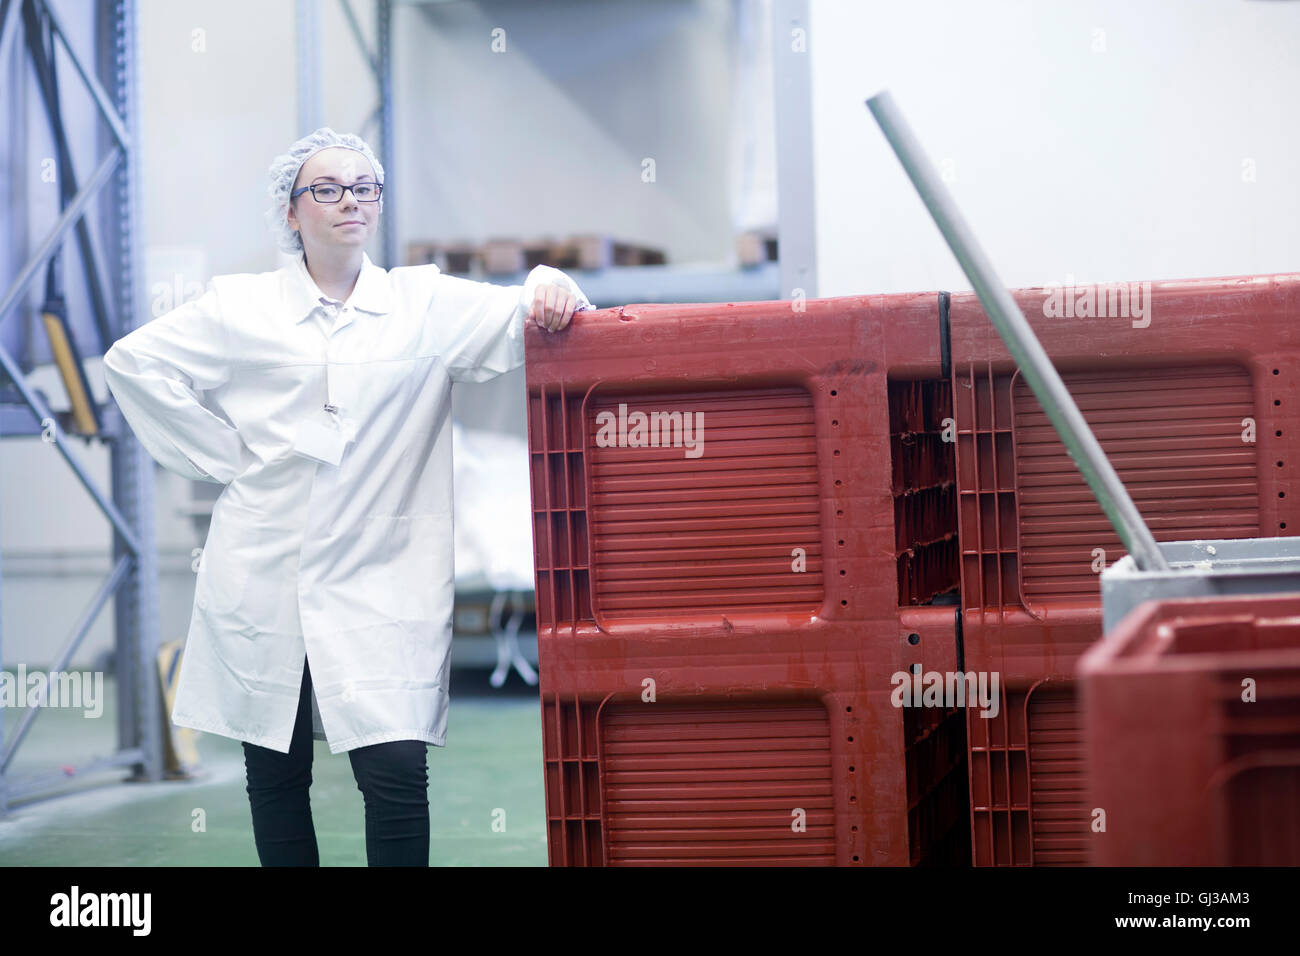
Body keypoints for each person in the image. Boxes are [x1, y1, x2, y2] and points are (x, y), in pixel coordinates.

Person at [102, 127, 594, 866]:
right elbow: (134, 363)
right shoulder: (242, 307)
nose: (350, 202)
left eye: (364, 187)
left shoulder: (421, 305)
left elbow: (526, 315)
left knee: (395, 771)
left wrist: (550, 279)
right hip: (265, 571)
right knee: (276, 770)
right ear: (291, 211)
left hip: (380, 575)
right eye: (327, 189)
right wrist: (225, 457)